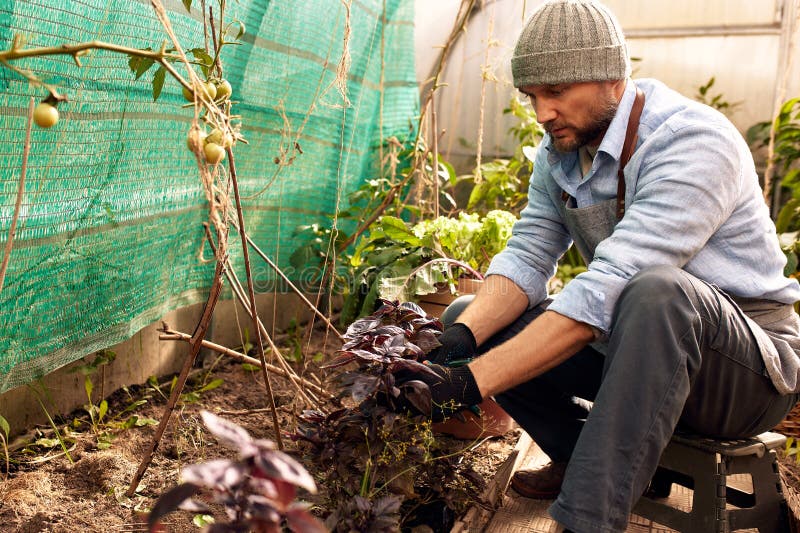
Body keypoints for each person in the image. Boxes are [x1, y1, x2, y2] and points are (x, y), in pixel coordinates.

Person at [395, 0, 800, 531]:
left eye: (556, 92)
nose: (541, 113)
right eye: (531, 96)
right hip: (637, 346)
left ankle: (588, 518)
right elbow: (528, 253)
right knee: (473, 315)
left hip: (742, 372)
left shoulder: (692, 140)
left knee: (657, 292)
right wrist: (461, 343)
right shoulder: (559, 152)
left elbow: (611, 288)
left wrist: (469, 384)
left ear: (612, 76)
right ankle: (588, 455)